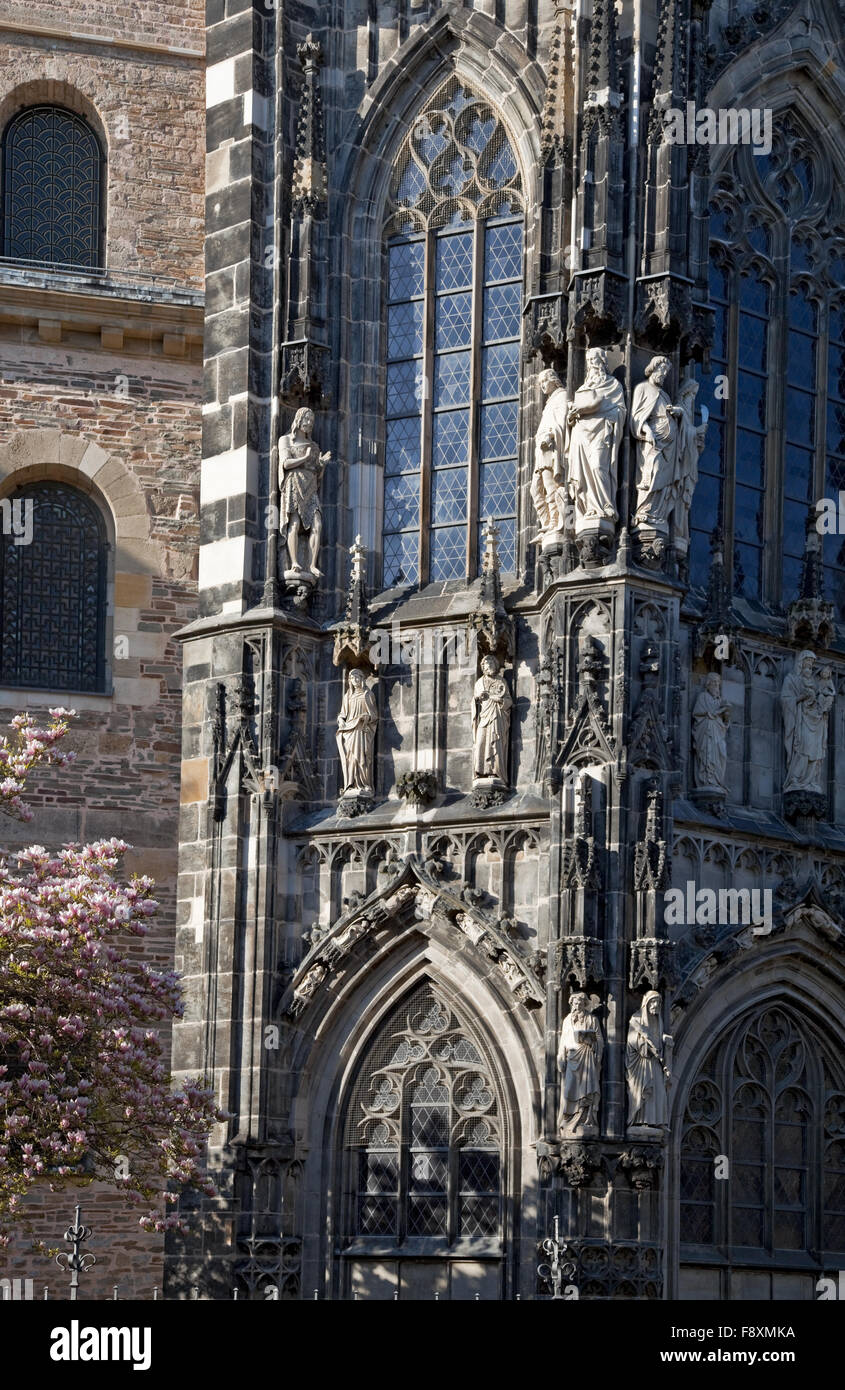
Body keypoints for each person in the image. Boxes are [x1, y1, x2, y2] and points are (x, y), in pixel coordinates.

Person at [566, 348, 626, 533]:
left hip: (602, 432)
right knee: (583, 474)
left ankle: (603, 507)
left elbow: (620, 410)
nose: (592, 363)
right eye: (589, 360)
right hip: (581, 435)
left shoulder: (613, 385)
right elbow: (571, 417)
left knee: (598, 466)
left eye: (595, 359)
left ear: (603, 362)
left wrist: (604, 411)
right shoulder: (582, 389)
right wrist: (572, 416)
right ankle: (587, 509)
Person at [278, 407, 329, 578]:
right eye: (307, 419)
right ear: (298, 419)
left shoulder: (314, 446)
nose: (309, 423)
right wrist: (304, 458)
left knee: (318, 523)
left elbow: (316, 473)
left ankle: (312, 564)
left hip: (310, 485)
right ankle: (294, 562)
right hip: (293, 482)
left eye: (312, 421)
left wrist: (321, 465)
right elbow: (285, 463)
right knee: (294, 522)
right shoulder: (285, 440)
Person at [530, 368, 570, 541]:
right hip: (542, 449)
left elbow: (562, 421)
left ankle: (557, 524)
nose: (542, 386)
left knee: (551, 486)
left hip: (551, 448)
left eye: (544, 381)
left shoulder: (562, 396)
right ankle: (547, 523)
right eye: (540, 383)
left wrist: (551, 434)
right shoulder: (549, 402)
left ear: (554, 380)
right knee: (535, 490)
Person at [557, 993, 603, 1137]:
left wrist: (593, 1044)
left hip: (587, 1057)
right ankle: (569, 1119)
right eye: (575, 1003)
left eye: (580, 1003)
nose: (577, 1006)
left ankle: (584, 1118)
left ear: (585, 1004)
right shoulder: (567, 1021)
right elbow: (563, 1039)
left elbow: (600, 1040)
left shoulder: (592, 1019)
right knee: (569, 1088)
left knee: (587, 1090)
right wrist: (560, 1056)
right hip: (572, 1057)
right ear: (572, 1004)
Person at [626, 991, 672, 1130]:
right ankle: (641, 1120)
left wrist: (664, 1040)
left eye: (658, 1002)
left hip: (655, 1062)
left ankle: (658, 1121)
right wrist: (644, 1046)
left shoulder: (657, 1020)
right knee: (645, 1091)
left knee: (659, 1092)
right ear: (646, 1004)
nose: (656, 1005)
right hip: (642, 1063)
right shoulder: (636, 1019)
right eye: (653, 1002)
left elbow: (657, 1037)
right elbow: (631, 1039)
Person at [336, 668, 378, 796]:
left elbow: (374, 716)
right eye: (352, 678)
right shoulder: (348, 696)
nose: (355, 680)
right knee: (350, 758)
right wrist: (340, 719)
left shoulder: (368, 694)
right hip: (349, 730)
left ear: (362, 679)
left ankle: (365, 784)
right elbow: (343, 714)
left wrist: (366, 717)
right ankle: (350, 785)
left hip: (361, 730)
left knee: (363, 757)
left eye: (357, 677)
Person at [472, 654, 512, 783]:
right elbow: (474, 701)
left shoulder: (501, 681)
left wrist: (499, 700)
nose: (490, 667)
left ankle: (495, 771)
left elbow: (509, 701)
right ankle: (480, 770)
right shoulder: (479, 682)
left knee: (496, 742)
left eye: (492, 665)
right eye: (487, 665)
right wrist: (478, 699)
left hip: (497, 717)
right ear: (483, 668)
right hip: (484, 717)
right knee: (480, 742)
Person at [692, 672, 731, 791]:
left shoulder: (721, 701)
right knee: (707, 755)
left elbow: (725, 722)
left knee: (722, 754)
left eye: (717, 683)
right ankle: (707, 780)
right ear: (708, 684)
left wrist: (727, 715)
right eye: (713, 682)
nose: (716, 685)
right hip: (705, 732)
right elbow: (698, 712)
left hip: (718, 733)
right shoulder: (703, 697)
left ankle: (717, 781)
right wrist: (718, 711)